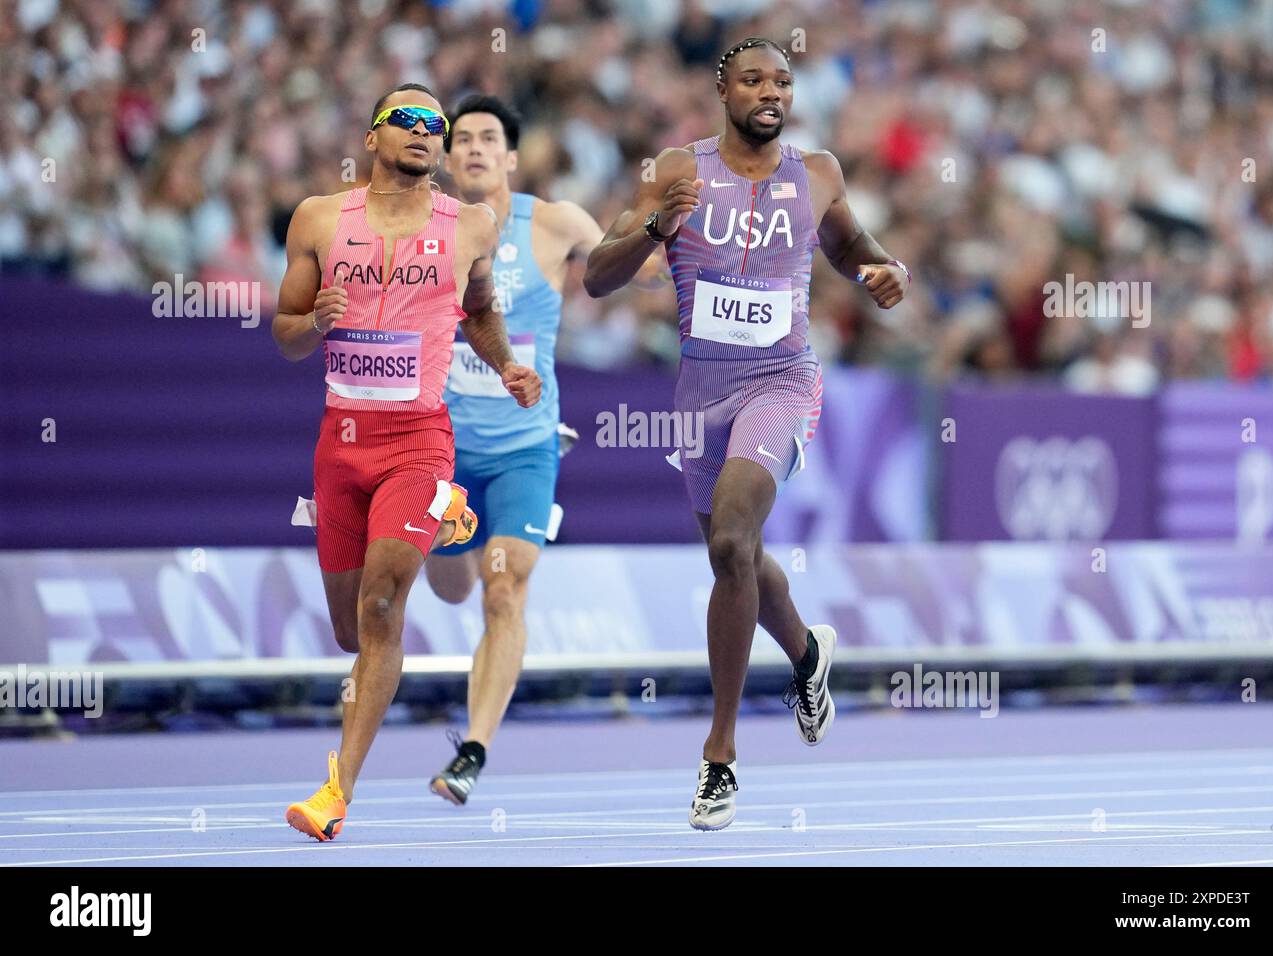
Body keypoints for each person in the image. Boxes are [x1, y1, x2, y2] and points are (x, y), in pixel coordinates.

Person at [583, 38, 911, 830]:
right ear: (722, 89)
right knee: (738, 558)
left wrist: (880, 266)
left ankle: (719, 758)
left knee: (733, 541)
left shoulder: (819, 171)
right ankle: (805, 654)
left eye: (784, 81)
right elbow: (597, 275)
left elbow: (845, 245)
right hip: (701, 390)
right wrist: (657, 228)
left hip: (782, 381)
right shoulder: (677, 169)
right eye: (755, 80)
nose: (772, 92)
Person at [271, 83, 541, 841]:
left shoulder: (471, 226)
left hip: (420, 442)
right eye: (410, 121)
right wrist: (310, 321)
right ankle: (448, 516)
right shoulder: (320, 218)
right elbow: (284, 334)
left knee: (385, 608)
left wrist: (508, 364)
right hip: (341, 445)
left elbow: (480, 309)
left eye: (438, 126)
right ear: (372, 137)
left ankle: (336, 792)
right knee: (351, 633)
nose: (427, 134)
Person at [425, 94, 663, 804]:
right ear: (444, 158)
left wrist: (658, 229)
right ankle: (454, 550)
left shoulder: (555, 223)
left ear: (510, 157)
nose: (471, 148)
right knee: (452, 583)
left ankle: (472, 750)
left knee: (504, 588)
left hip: (526, 449)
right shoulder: (427, 229)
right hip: (440, 451)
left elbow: (635, 269)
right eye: (460, 139)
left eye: (486, 138)